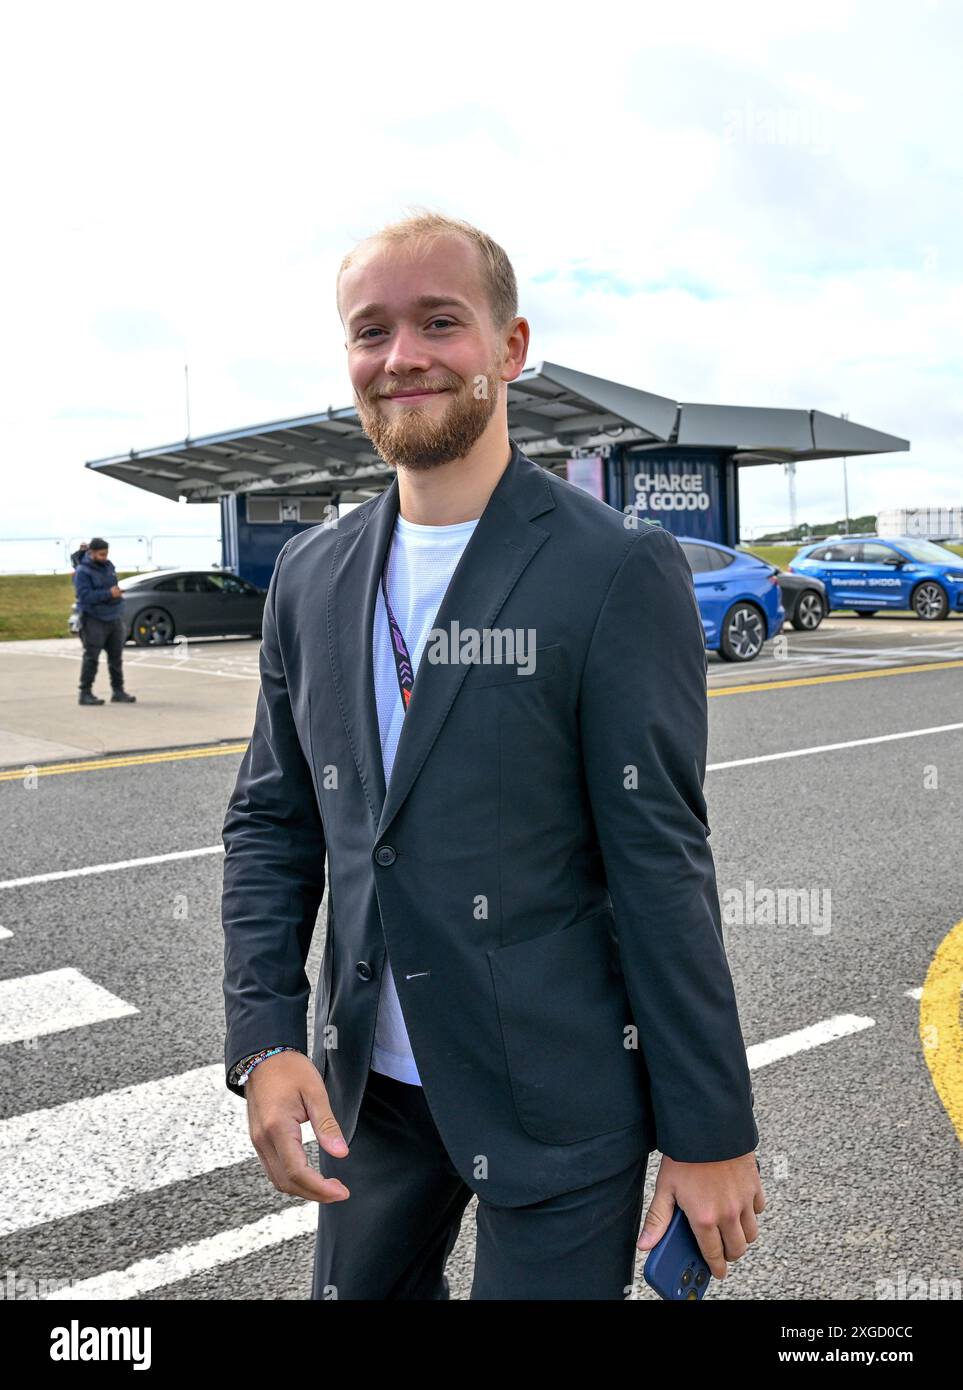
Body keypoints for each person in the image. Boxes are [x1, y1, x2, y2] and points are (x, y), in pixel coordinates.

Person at [221, 212, 765, 1300]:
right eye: (371, 331)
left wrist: (708, 1130)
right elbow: (273, 824)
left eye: (440, 321)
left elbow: (659, 858)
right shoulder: (313, 577)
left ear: (509, 348)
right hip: (370, 1095)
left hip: (560, 1098)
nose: (404, 356)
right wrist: (265, 1036)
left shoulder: (615, 568)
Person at [74, 537, 136, 705]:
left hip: (114, 617)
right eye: (101, 554)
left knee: (116, 657)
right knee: (91, 657)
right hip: (93, 618)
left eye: (106, 554)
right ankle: (85, 693)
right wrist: (109, 594)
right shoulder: (83, 572)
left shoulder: (109, 566)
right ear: (91, 553)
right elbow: (84, 596)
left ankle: (118, 691)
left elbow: (112, 586)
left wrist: (116, 595)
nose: (104, 557)